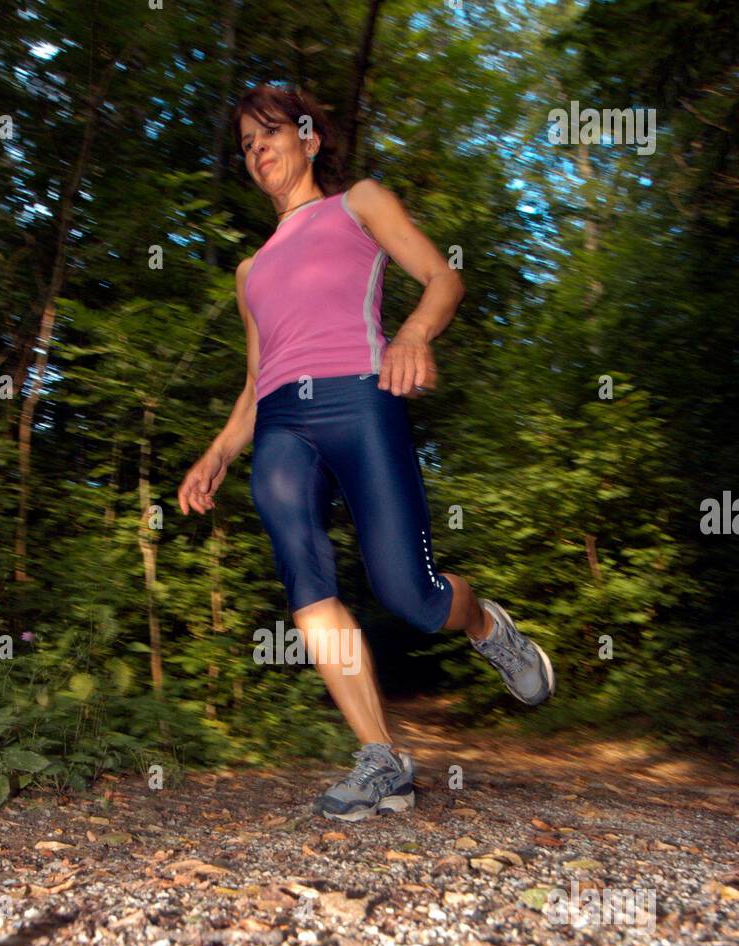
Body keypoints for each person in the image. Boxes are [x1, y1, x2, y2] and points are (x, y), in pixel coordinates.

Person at [178, 83, 554, 822]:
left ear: (309, 137)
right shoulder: (249, 271)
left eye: (269, 133)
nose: (257, 151)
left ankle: (485, 626)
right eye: (246, 144)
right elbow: (257, 380)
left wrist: (412, 336)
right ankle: (382, 759)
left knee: (409, 596)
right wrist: (219, 451)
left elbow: (444, 277)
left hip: (361, 397)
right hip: (283, 422)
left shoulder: (359, 203)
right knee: (305, 579)